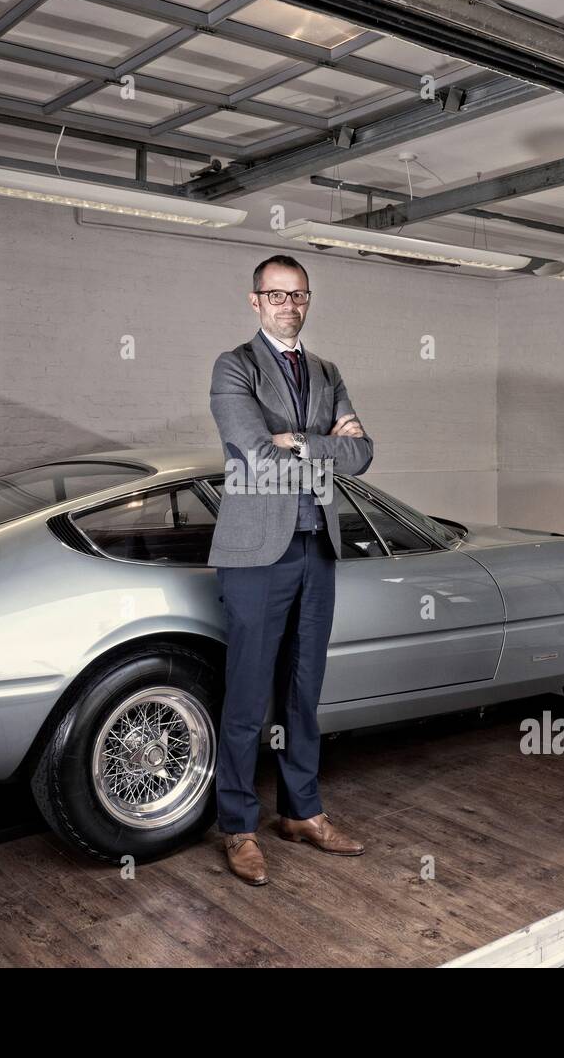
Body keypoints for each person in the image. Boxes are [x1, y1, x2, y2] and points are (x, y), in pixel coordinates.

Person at [206, 253, 374, 886]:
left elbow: (362, 454)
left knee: (304, 691)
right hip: (256, 553)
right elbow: (253, 455)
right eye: (276, 295)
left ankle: (302, 812)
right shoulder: (235, 366)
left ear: (308, 299)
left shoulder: (327, 372)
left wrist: (298, 441)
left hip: (316, 548)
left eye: (298, 294)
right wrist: (324, 444)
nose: (288, 305)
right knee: (248, 696)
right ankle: (238, 826)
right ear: (256, 301)